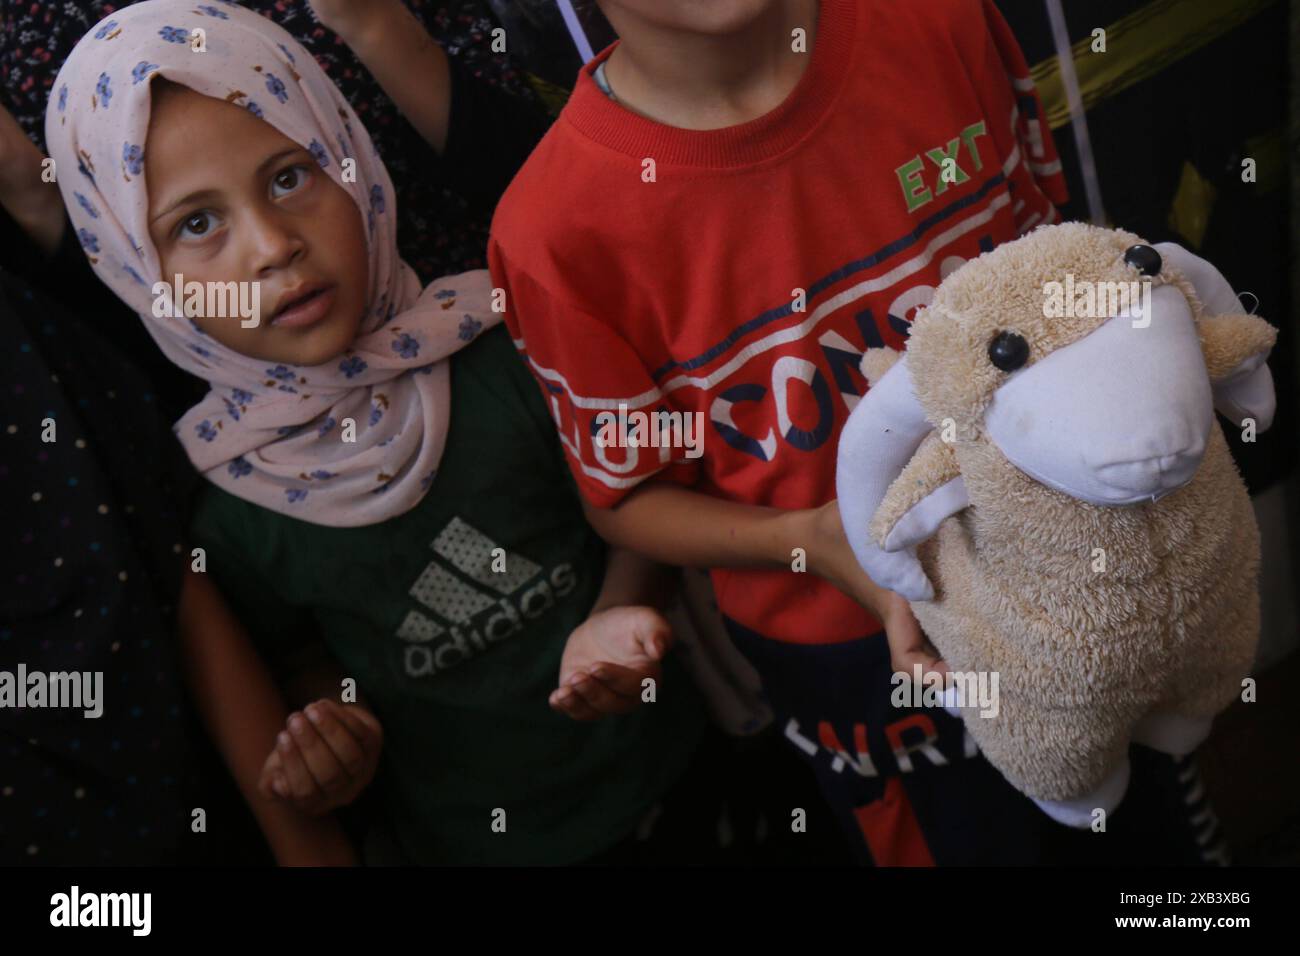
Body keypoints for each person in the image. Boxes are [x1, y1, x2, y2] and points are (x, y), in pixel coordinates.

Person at [487, 0, 1220, 865]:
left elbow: (1055, 268)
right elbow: (628, 500)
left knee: (1161, 851)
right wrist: (813, 541)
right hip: (854, 664)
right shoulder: (552, 231)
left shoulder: (941, 26)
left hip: (1080, 571)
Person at [45, 0, 705, 865]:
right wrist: (331, 737)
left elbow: (640, 496)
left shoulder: (507, 347)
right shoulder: (227, 506)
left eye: (289, 175)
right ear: (137, 270)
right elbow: (303, 660)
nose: (273, 247)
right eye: (195, 225)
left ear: (348, 153)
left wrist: (625, 612)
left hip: (696, 789)